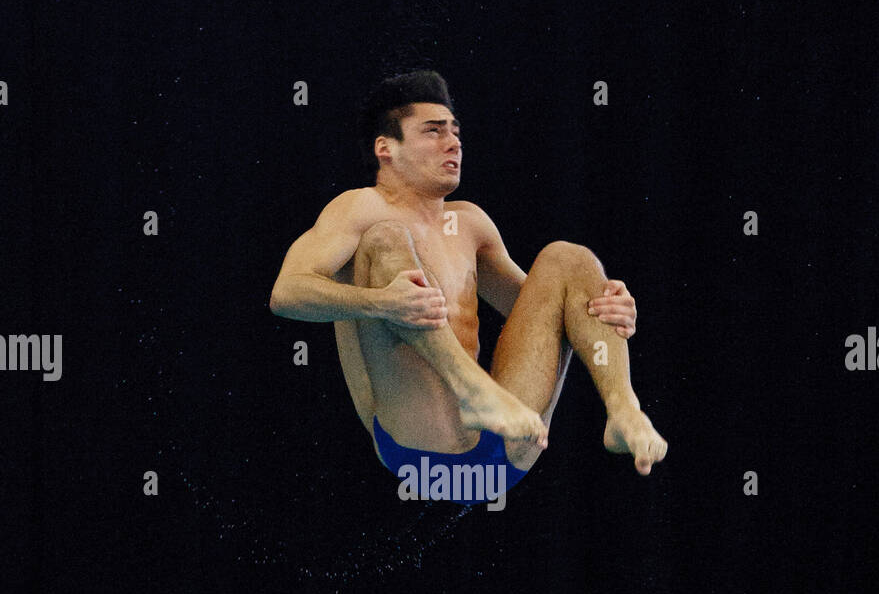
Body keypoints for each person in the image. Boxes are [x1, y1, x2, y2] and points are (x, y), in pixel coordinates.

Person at [269, 70, 666, 502]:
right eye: (433, 132)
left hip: (503, 454)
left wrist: (605, 309)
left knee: (568, 258)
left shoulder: (470, 222)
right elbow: (286, 294)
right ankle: (473, 391)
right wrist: (380, 303)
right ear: (386, 148)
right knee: (386, 238)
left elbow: (551, 312)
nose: (454, 143)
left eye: (455, 132)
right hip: (421, 452)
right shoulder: (358, 208)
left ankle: (624, 411)